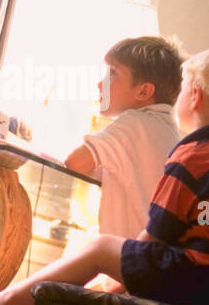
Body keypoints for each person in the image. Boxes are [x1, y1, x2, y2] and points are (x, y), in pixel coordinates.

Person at [0, 46, 209, 305]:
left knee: (98, 247)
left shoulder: (194, 155)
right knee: (100, 256)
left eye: (182, 90)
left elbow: (155, 239)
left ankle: (9, 301)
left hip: (200, 285)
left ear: (195, 97)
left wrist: (120, 269)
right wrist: (121, 273)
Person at [63, 36, 183, 239]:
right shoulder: (168, 131)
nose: (100, 84)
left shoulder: (135, 123)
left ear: (144, 91)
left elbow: (75, 162)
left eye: (112, 73)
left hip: (131, 258)